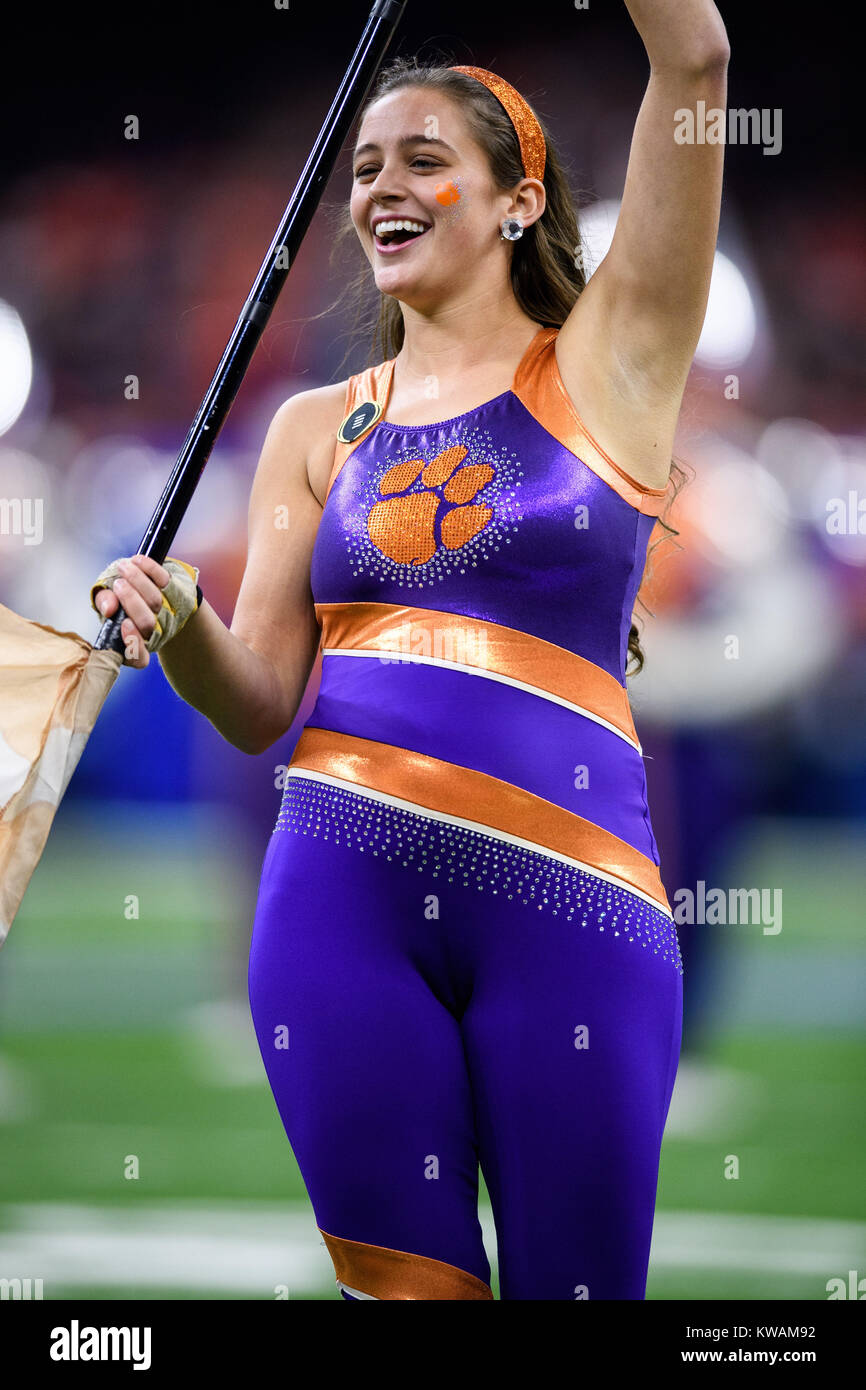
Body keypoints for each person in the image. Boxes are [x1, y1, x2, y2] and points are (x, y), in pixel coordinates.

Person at [92, 5, 729, 1299]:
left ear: (514, 201)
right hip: (335, 899)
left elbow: (697, 57)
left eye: (424, 157)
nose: (382, 183)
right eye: (366, 164)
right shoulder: (314, 428)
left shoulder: (611, 364)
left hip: (574, 903)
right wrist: (182, 627)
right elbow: (261, 698)